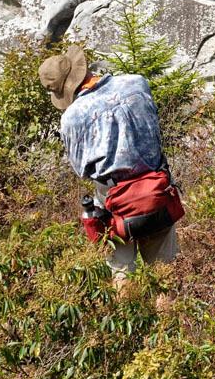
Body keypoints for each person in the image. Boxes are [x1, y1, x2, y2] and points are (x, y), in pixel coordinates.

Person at [38, 44, 180, 295]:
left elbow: (81, 168)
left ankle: (128, 329)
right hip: (157, 189)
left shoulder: (72, 117)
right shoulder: (138, 83)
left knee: (122, 271)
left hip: (115, 200)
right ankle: (167, 328)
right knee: (164, 275)